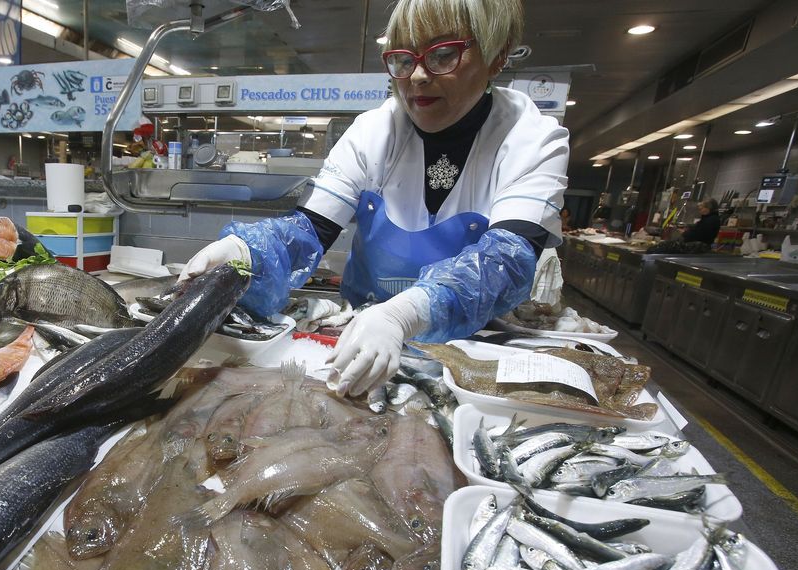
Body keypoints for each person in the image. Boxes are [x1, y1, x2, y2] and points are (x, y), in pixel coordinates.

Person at [180, 0, 567, 396]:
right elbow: (307, 230)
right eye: (402, 59)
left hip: (466, 361)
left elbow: (506, 262)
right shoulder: (373, 130)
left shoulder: (531, 138)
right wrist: (246, 251)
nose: (416, 76)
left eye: (443, 54)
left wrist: (402, 315)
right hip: (357, 343)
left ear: (497, 56)